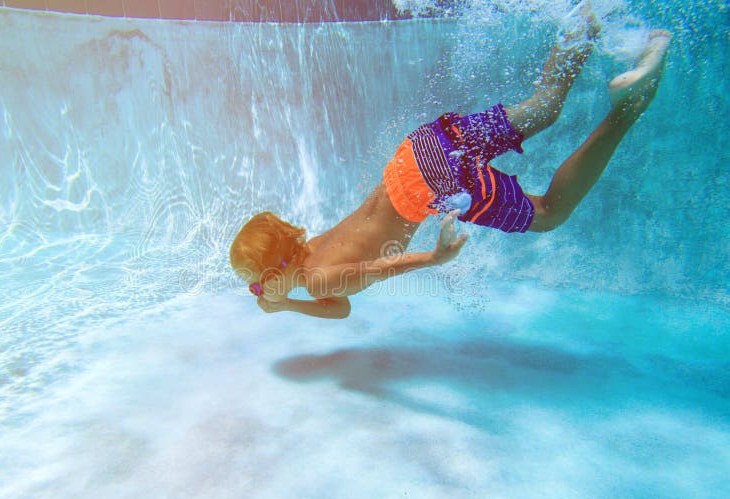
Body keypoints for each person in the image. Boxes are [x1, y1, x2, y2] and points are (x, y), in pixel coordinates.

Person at [229, 10, 672, 319]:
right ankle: (586, 22)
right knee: (544, 107)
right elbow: (340, 306)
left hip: (435, 182)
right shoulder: (311, 251)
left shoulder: (317, 279)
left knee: (549, 213)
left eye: (256, 285)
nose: (258, 293)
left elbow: (374, 272)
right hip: (419, 149)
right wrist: (286, 302)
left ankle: (627, 108)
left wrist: (434, 258)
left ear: (276, 272)